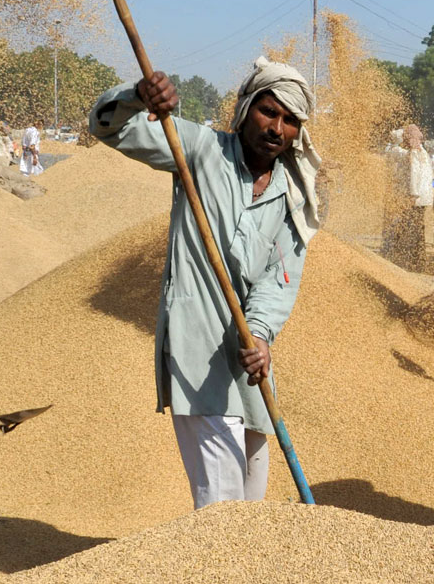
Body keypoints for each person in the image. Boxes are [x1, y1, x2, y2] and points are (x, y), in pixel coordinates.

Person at [89, 57, 314, 509]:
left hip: (246, 357)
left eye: (290, 121)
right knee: (222, 505)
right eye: (269, 112)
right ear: (246, 107)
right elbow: (111, 129)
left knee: (252, 491)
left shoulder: (291, 192)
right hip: (196, 346)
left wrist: (262, 337)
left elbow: (279, 279)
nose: (276, 128)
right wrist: (139, 96)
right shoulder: (199, 148)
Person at [381, 125, 434, 272]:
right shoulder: (409, 152)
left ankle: (413, 260)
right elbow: (414, 174)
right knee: (410, 228)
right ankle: (409, 260)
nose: (420, 137)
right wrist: (414, 194)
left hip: (415, 197)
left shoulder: (416, 152)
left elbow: (421, 174)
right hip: (413, 197)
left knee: (413, 228)